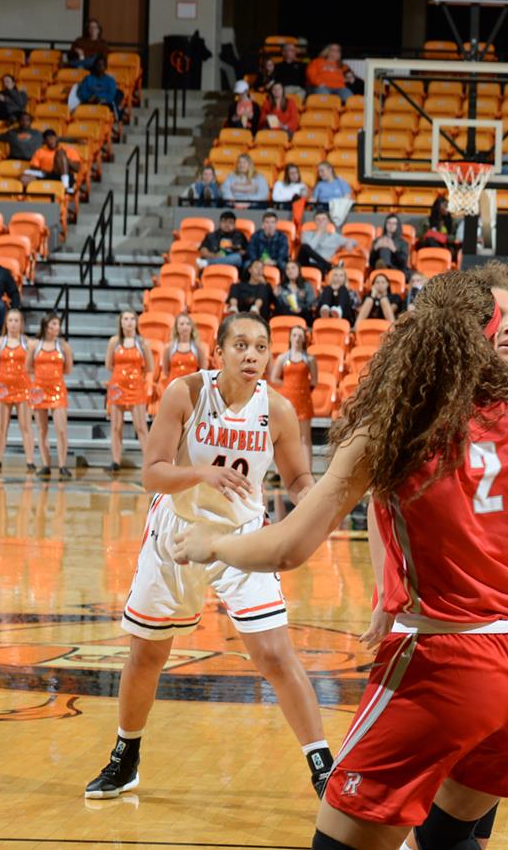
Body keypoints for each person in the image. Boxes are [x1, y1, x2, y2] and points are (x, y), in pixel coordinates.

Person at [170, 272, 508, 850]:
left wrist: (213, 545)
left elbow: (287, 548)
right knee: (447, 840)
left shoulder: (391, 434)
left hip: (447, 663)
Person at [84, 312, 332, 801]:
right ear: (218, 351)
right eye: (241, 345)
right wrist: (201, 475)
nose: (252, 355)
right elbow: (152, 474)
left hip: (241, 537)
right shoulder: (186, 393)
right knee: (148, 652)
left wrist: (314, 500)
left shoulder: (277, 410)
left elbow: (298, 479)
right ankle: (125, 756)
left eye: (261, 347)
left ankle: (324, 768)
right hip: (177, 531)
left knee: (275, 655)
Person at [104, 309, 155, 472]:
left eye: (132, 318)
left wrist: (134, 375)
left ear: (136, 322)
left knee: (140, 426)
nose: (129, 322)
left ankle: (148, 462)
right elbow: (108, 365)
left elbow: (150, 366)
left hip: (136, 386)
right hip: (117, 386)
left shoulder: (143, 343)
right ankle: (115, 461)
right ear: (120, 322)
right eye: (125, 319)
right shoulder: (114, 342)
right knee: (116, 426)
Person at [0, 308, 37, 471]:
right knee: (1, 425)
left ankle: (30, 461)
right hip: (3, 388)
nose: (14, 324)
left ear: (21, 324)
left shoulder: (28, 343)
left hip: (23, 388)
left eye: (17, 321)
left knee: (26, 426)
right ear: (6, 323)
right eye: (11, 320)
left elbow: (33, 365)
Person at [29, 314, 73, 477]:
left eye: (58, 325)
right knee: (42, 430)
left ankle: (62, 465)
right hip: (39, 391)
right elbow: (28, 367)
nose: (57, 328)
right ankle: (46, 465)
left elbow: (68, 369)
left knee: (61, 429)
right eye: (54, 324)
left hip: (57, 390)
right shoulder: (35, 345)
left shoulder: (63, 346)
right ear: (46, 326)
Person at [270, 324, 318, 466]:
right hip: (287, 400)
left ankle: (308, 472)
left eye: (300, 336)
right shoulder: (282, 358)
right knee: (284, 436)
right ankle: (282, 471)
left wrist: (303, 389)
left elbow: (314, 380)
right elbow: (274, 378)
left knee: (305, 438)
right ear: (290, 338)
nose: (297, 338)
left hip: (303, 400)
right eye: (294, 335)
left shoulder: (310, 359)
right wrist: (287, 386)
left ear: (304, 339)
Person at [299, 208, 352, 276]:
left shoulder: (334, 236)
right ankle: (330, 266)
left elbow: (353, 242)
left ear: (328, 221)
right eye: (318, 219)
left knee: (321, 266)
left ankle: (328, 266)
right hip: (307, 262)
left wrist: (348, 242)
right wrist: (319, 233)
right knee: (304, 247)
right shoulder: (306, 234)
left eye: (323, 219)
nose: (321, 221)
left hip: (320, 266)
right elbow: (309, 249)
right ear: (314, 221)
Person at [162, 312, 205, 390]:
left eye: (188, 324)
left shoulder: (198, 348)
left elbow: (203, 371)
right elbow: (165, 371)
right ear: (176, 327)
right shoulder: (169, 348)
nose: (185, 327)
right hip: (173, 388)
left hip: (192, 389)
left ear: (192, 327)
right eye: (182, 324)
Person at [247, 211, 292, 276]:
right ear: (263, 224)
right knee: (247, 265)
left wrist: (274, 262)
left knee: (284, 265)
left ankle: (284, 284)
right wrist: (260, 261)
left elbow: (283, 254)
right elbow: (251, 251)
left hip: (276, 262)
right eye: (267, 222)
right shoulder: (255, 236)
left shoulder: (282, 237)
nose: (270, 225)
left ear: (276, 224)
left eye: (272, 222)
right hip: (258, 261)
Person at [277, 260, 319, 326]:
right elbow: (279, 305)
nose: (290, 271)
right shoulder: (281, 287)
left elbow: (311, 303)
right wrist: (277, 296)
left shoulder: (307, 285)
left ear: (298, 270)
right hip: (286, 315)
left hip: (303, 314)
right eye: (288, 269)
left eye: (293, 268)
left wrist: (301, 309)